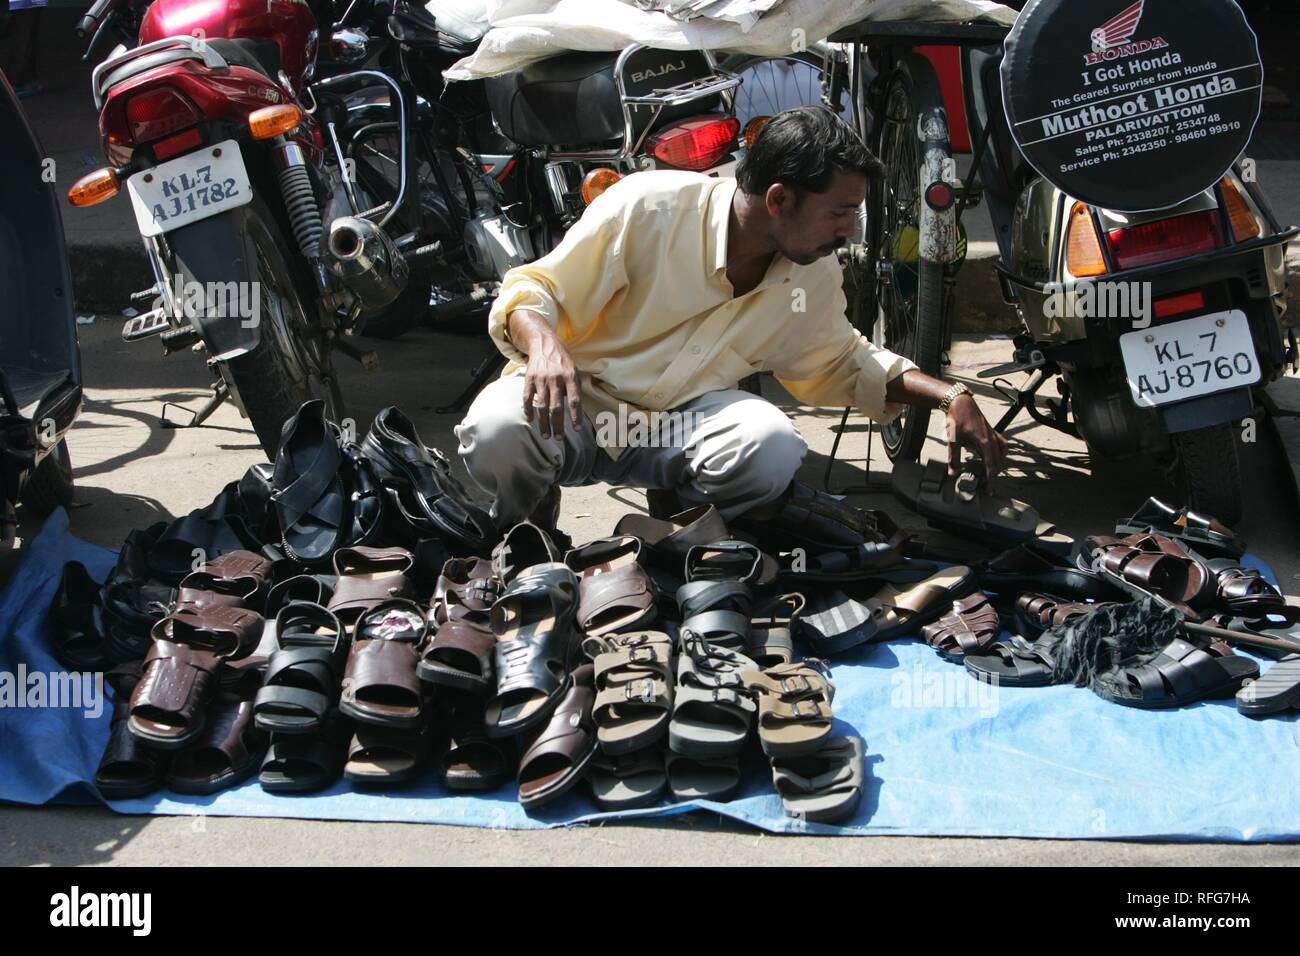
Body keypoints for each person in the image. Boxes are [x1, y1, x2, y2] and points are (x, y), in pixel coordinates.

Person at [455, 106, 1007, 535]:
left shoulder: (811, 272)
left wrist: (950, 396)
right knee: (497, 431)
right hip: (578, 406)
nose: (848, 230)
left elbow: (844, 359)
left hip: (677, 426)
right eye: (839, 211)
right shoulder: (648, 208)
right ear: (779, 199)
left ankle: (682, 535)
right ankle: (531, 525)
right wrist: (545, 345)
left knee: (772, 446)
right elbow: (535, 290)